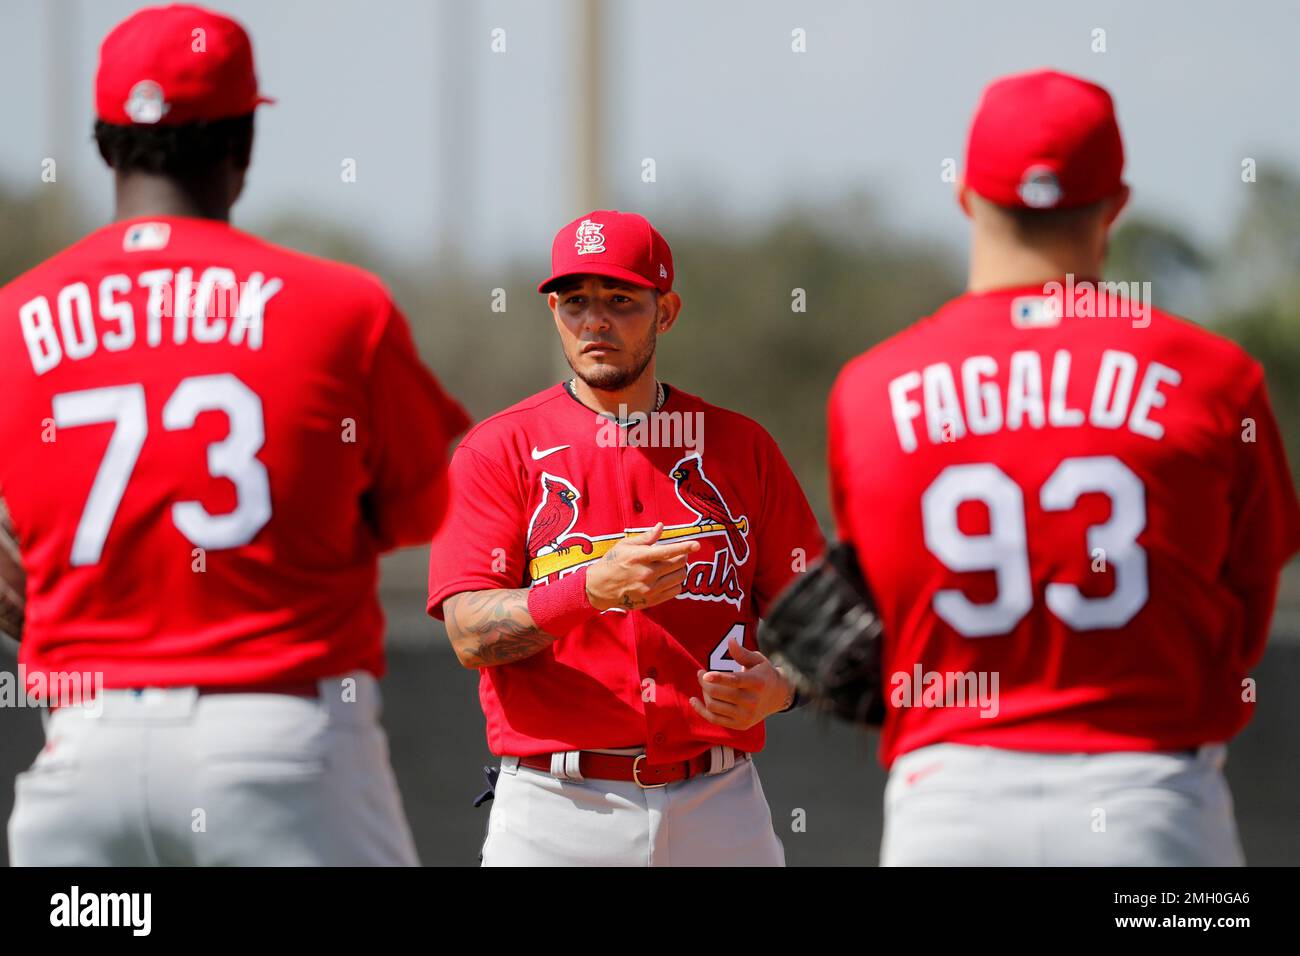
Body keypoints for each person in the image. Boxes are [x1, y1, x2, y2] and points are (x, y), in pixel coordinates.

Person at [1, 4, 469, 866]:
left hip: (80, 758)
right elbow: (422, 507)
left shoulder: (13, 319)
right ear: (243, 144)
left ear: (105, 143)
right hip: (279, 746)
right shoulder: (339, 310)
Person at [826, 69, 1300, 865]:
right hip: (1152, 797)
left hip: (948, 803)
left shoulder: (869, 391)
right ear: (1117, 202)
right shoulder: (1218, 379)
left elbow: (874, 610)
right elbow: (1247, 597)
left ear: (966, 197)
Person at [427, 210, 824, 866]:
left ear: (665, 312)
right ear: (555, 311)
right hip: (556, 809)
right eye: (574, 302)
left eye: (620, 301)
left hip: (719, 801)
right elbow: (470, 634)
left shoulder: (740, 447)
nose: (595, 322)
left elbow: (826, 631)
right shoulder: (501, 450)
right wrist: (587, 590)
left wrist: (781, 688)